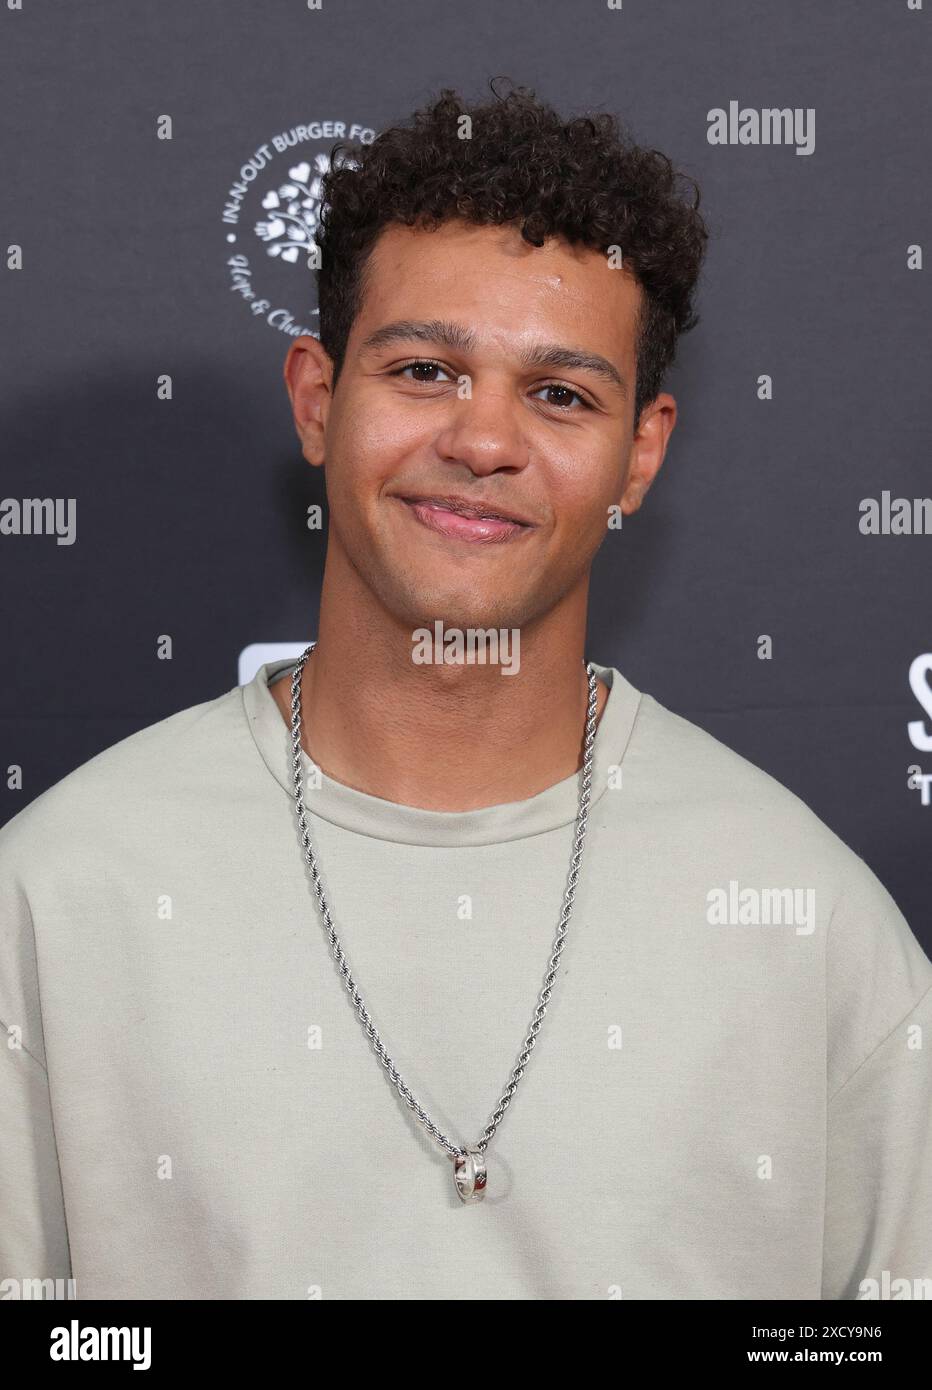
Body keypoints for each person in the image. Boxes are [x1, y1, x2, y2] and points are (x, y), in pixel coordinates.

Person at [1, 84, 929, 1302]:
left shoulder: (812, 922)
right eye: (427, 369)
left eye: (558, 394)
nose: (483, 440)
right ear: (319, 401)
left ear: (638, 454)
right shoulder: (59, 894)